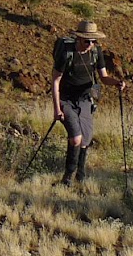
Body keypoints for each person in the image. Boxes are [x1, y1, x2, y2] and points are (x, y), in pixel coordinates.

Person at [51, 19, 126, 185]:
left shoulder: (95, 52)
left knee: (86, 139)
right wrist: (57, 109)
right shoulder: (67, 54)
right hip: (66, 100)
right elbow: (55, 81)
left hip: (85, 99)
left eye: (93, 41)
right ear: (78, 38)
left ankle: (81, 175)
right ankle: (68, 177)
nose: (90, 44)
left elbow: (104, 78)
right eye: (87, 41)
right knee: (76, 138)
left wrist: (117, 83)